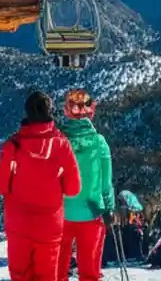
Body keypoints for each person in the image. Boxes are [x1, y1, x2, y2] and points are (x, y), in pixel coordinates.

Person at [0, 91, 82, 281]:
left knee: (20, 276)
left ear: (27, 113)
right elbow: (73, 189)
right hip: (49, 226)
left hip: (19, 225)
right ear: (49, 111)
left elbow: (1, 186)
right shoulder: (61, 145)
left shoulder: (13, 146)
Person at [56, 90, 115, 281]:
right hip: (92, 211)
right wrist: (109, 209)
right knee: (89, 272)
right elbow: (106, 183)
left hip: (61, 212)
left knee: (58, 270)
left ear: (66, 111)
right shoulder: (100, 143)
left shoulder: (57, 142)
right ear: (92, 111)